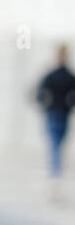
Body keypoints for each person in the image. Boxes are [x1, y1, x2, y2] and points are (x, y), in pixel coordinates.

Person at [36, 44, 75, 198]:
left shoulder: (51, 75)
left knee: (54, 147)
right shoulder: (69, 76)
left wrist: (47, 105)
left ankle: (54, 176)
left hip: (53, 114)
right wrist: (68, 106)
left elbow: (38, 94)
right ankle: (55, 176)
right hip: (62, 115)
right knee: (57, 146)